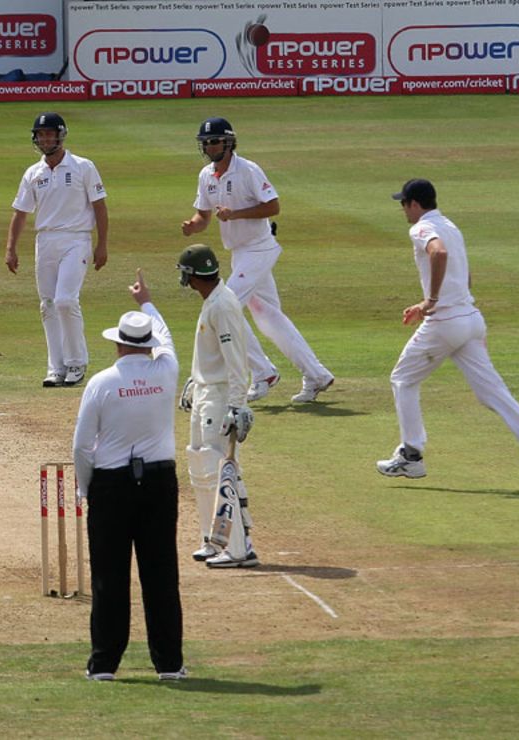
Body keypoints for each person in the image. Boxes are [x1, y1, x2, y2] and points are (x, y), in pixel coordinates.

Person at [377, 179, 519, 490]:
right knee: (492, 392)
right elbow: (465, 274)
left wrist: (430, 301)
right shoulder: (451, 225)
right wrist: (446, 299)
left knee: (403, 379)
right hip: (471, 320)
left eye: (403, 204)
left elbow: (439, 253)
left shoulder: (421, 228)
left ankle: (411, 456)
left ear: (415, 204)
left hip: (445, 323)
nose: (403, 210)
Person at [72, 269, 185, 682]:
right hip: (159, 484)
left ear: (119, 343)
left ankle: (104, 664)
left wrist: (87, 488)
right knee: (161, 576)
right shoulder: (166, 370)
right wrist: (147, 302)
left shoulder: (102, 383)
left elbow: (82, 446)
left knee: (109, 577)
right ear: (148, 344)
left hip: (111, 485)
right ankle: (169, 664)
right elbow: (166, 336)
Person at [180, 117, 334, 404]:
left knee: (223, 305)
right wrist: (192, 225)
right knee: (270, 319)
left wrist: (235, 214)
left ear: (228, 142)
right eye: (205, 142)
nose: (209, 147)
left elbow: (273, 206)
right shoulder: (206, 176)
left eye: (214, 141)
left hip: (259, 248)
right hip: (239, 253)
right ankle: (317, 375)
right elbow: (203, 216)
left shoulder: (248, 170)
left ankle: (263, 372)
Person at [6, 112, 109, 388]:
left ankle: (77, 363)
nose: (45, 139)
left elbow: (100, 206)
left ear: (61, 136)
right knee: (48, 305)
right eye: (40, 135)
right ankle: (56, 367)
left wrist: (102, 244)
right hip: (45, 241)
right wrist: (11, 248)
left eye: (50, 134)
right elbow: (20, 213)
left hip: (77, 239)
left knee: (65, 300)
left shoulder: (83, 166)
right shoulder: (33, 173)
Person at [176, 245, 259, 568]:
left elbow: (235, 360)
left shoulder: (223, 305)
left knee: (217, 468)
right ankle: (213, 539)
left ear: (192, 275)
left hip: (220, 397)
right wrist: (195, 381)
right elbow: (212, 355)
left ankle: (238, 549)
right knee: (199, 465)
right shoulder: (213, 300)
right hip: (205, 392)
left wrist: (237, 405)